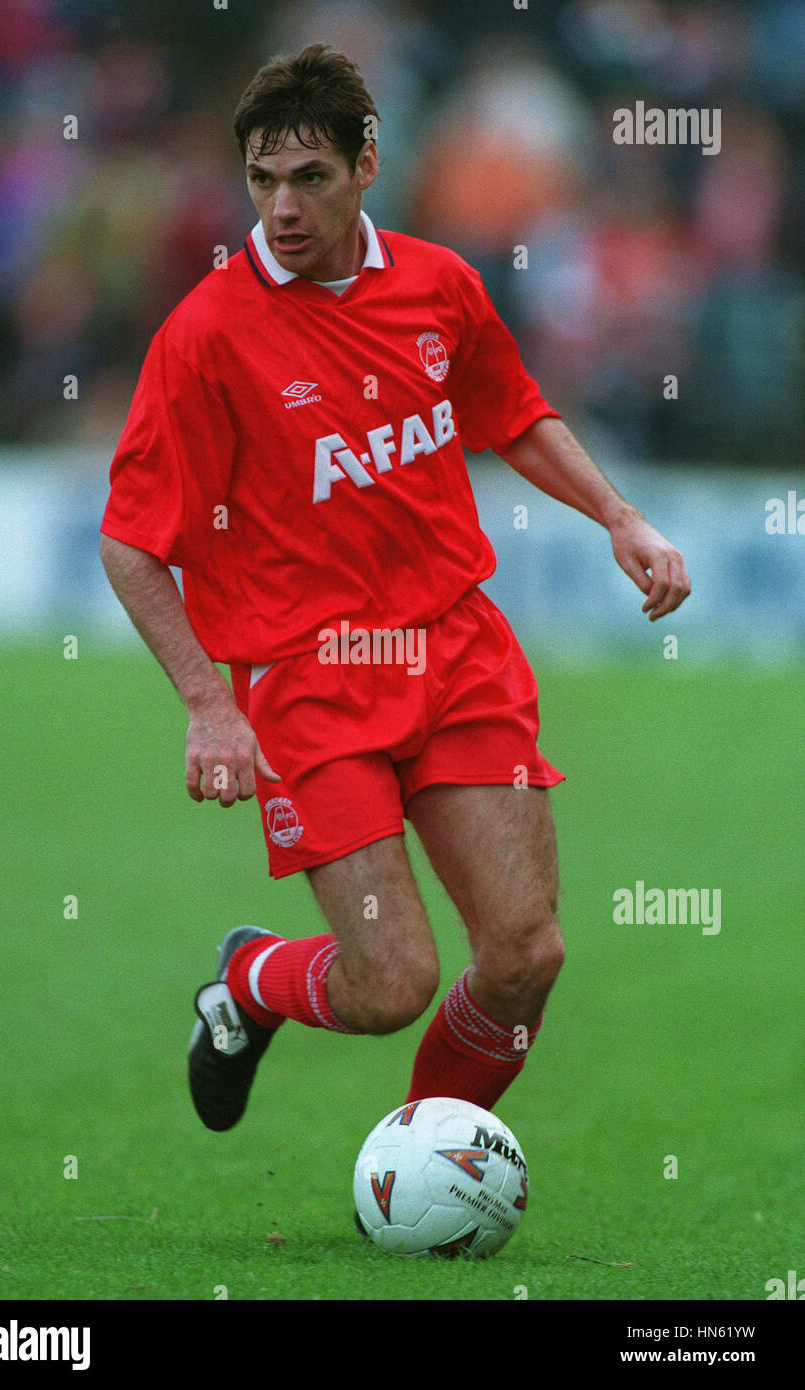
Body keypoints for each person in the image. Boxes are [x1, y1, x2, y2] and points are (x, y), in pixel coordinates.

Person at [99, 44, 690, 1136]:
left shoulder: (439, 283)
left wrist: (618, 516)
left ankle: (425, 1167)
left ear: (367, 164)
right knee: (391, 982)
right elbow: (131, 542)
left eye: (308, 177)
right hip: (308, 682)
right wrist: (207, 703)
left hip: (456, 649)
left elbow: (510, 412)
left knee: (524, 955)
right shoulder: (204, 339)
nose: (280, 207)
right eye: (261, 181)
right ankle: (250, 979)